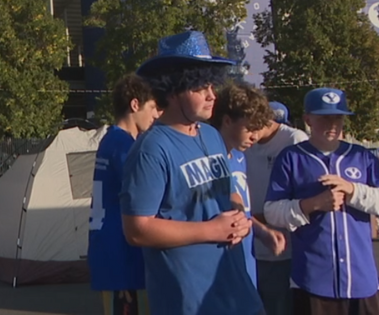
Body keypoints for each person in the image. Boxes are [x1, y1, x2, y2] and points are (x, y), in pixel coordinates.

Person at [120, 31, 261, 315]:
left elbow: (229, 192)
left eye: (211, 85)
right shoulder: (151, 149)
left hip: (238, 292)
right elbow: (136, 230)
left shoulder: (211, 135)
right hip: (189, 300)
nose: (211, 95)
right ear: (173, 91)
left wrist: (240, 219)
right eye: (200, 88)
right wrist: (211, 230)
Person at [264, 88, 379, 315]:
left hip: (361, 279)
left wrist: (353, 191)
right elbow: (272, 211)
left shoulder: (361, 156)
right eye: (324, 118)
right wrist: (312, 204)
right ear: (308, 119)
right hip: (313, 279)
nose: (332, 124)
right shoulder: (291, 157)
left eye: (337, 117)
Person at [90, 74, 161, 315]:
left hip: (110, 249)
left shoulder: (110, 140)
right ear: (135, 104)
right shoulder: (125, 146)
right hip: (122, 254)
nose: (156, 115)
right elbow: (146, 192)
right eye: (152, 107)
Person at [209, 83, 288, 288]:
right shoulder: (206, 159)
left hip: (246, 261)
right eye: (249, 128)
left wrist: (261, 232)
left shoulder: (239, 156)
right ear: (227, 120)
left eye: (257, 129)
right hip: (218, 269)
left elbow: (240, 212)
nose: (254, 136)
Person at [247, 99, 309, 315]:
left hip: (284, 249)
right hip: (250, 248)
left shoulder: (294, 140)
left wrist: (259, 220)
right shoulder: (242, 141)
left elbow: (304, 198)